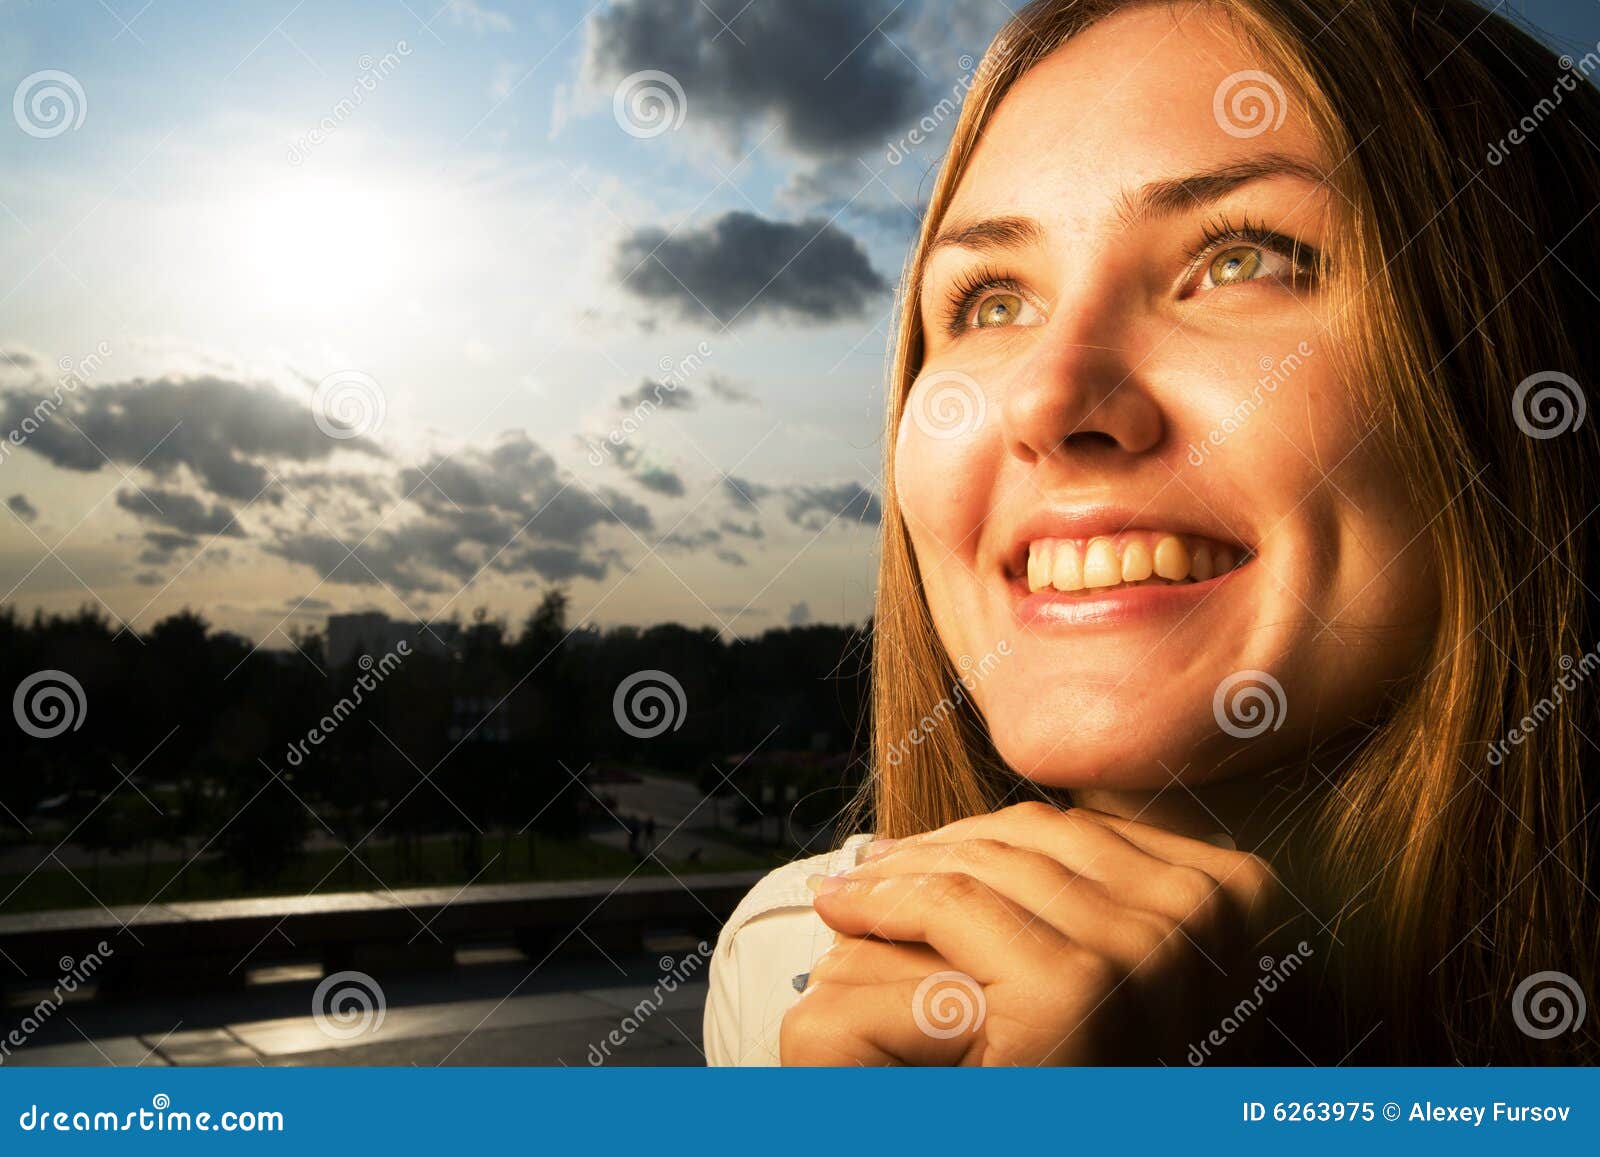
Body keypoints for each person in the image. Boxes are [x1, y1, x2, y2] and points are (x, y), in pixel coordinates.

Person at [704, 0, 1600, 1066]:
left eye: (1240, 259)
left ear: (1529, 355)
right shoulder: (792, 975)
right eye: (991, 301)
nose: (1049, 397)